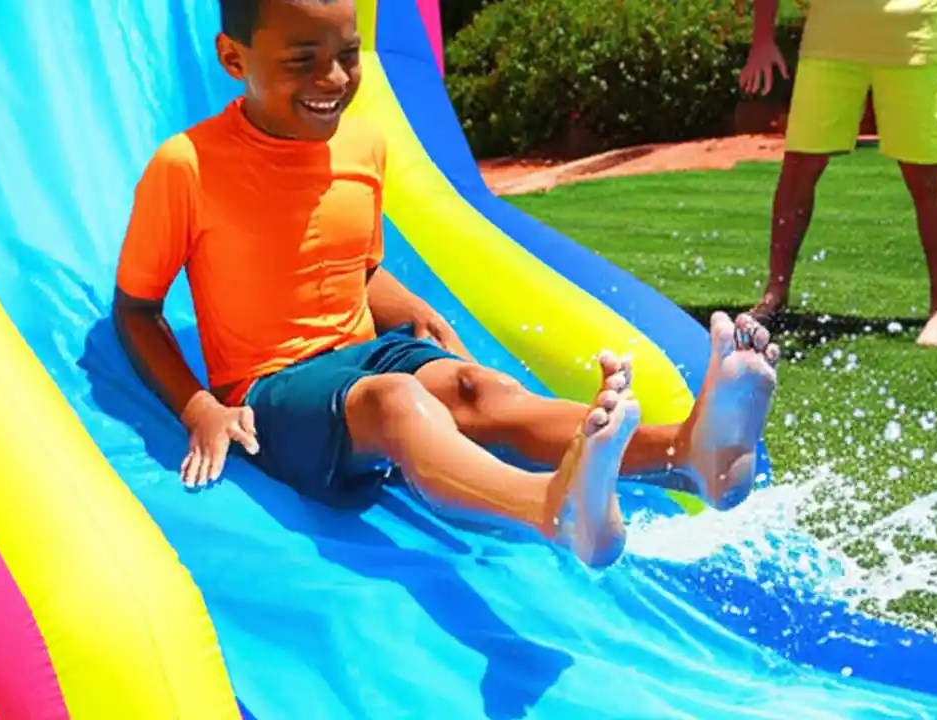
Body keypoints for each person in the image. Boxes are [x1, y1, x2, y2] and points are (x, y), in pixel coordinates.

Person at [113, 0, 781, 568]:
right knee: (397, 403)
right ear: (234, 59)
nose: (333, 77)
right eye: (302, 59)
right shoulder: (188, 167)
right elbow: (137, 311)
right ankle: (548, 508)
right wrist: (199, 406)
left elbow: (357, 266)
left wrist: (410, 306)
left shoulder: (362, 145)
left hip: (362, 352)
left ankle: (692, 450)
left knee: (479, 387)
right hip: (272, 388)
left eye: (347, 53)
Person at [740, 0, 937, 347]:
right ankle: (776, 292)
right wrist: (762, 40)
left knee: (925, 175)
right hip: (831, 40)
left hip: (916, 41)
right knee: (799, 167)